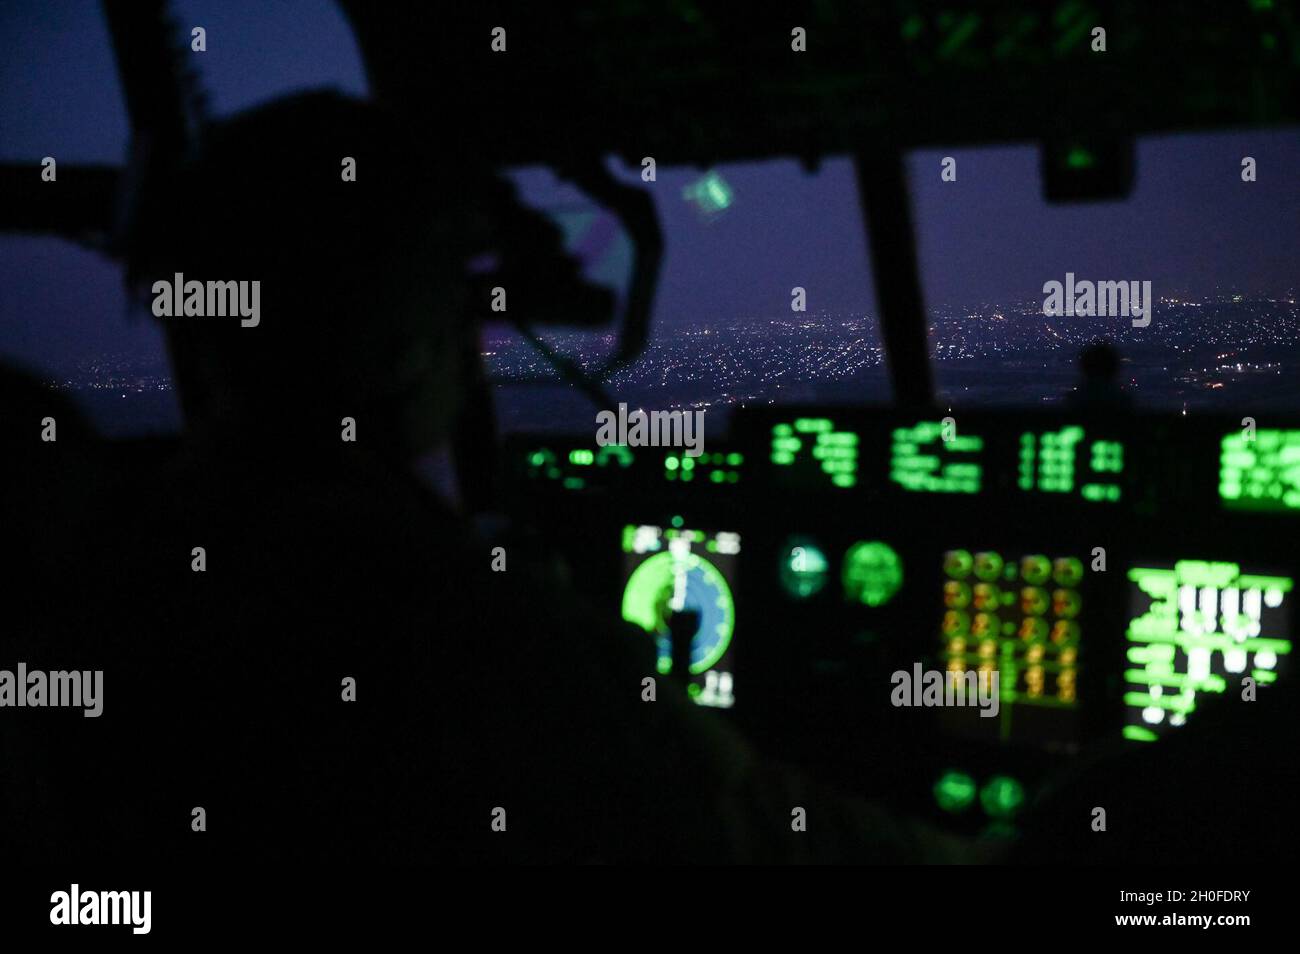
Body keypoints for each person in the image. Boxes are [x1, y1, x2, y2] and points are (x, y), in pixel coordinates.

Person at [26, 91, 972, 864]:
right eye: (462, 312)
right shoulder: (473, 633)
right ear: (408, 349)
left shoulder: (96, 570)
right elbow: (752, 837)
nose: (478, 352)